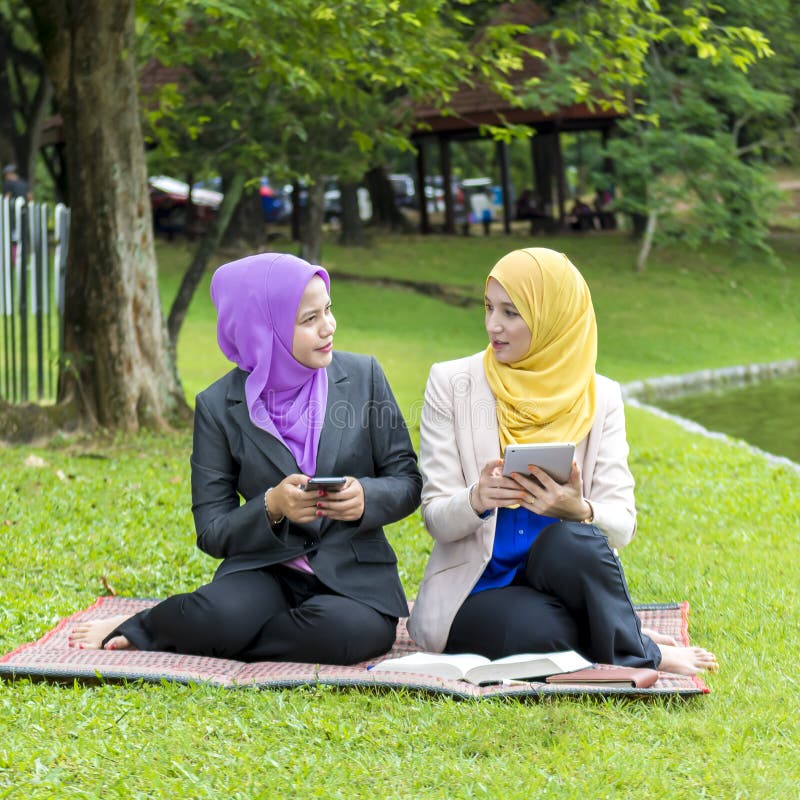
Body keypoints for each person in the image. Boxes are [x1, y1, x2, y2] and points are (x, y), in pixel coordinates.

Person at [69, 252, 422, 664]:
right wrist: (272, 506)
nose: (329, 327)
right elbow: (213, 530)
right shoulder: (218, 406)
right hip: (264, 572)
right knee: (222, 615)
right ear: (261, 330)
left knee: (345, 634)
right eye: (309, 319)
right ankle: (170, 625)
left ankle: (211, 635)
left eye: (328, 309)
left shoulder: (365, 377)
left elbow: (407, 480)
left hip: (353, 578)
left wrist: (366, 497)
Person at [407, 247, 718, 677]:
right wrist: (477, 498)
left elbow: (622, 524)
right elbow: (437, 518)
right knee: (541, 633)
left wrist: (578, 509)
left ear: (553, 318)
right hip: (478, 588)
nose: (493, 325)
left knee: (575, 540)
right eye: (489, 308)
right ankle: (633, 642)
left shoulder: (600, 396)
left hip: (560, 571)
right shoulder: (451, 383)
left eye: (511, 313)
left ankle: (627, 639)